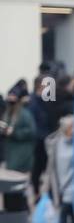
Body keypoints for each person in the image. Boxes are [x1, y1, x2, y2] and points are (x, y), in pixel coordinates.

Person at [44, 115, 74, 223]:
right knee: (73, 216)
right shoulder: (57, 143)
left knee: (65, 214)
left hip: (72, 186)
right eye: (72, 127)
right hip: (61, 185)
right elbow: (48, 143)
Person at [1, 80, 36, 212]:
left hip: (21, 156)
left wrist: (14, 132)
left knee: (18, 187)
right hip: (10, 155)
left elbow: (31, 132)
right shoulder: (8, 113)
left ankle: (20, 209)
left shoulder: (25, 114)